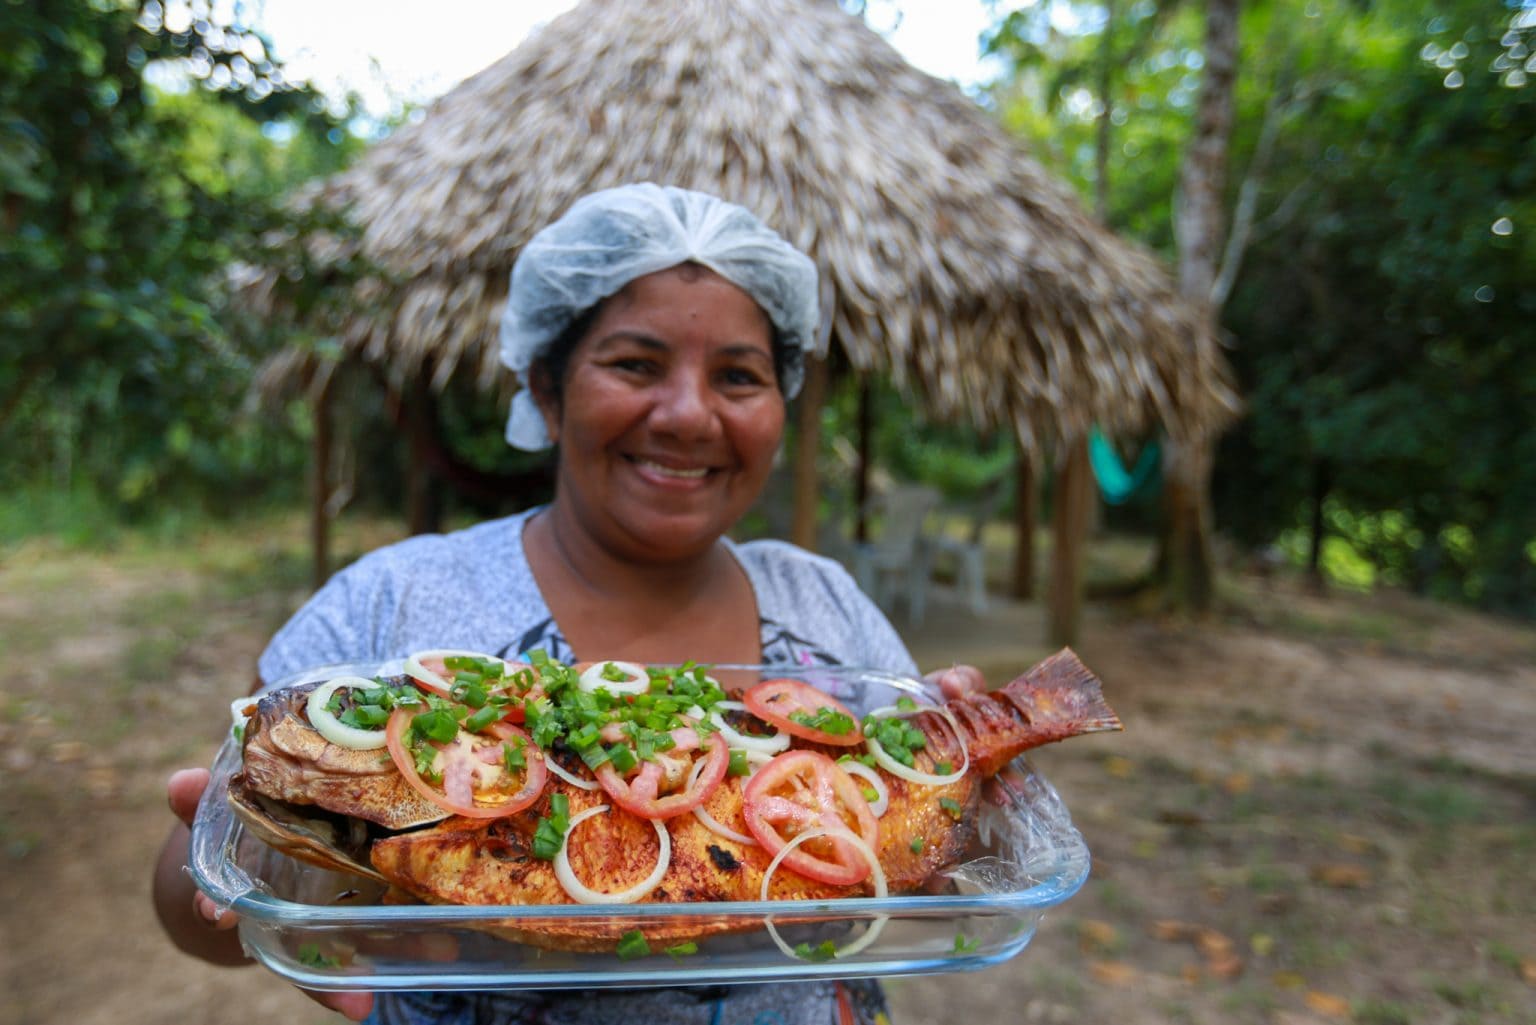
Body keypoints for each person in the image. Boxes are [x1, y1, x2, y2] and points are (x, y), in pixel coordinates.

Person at [153, 183, 984, 1024]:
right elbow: (199, 905)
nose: (690, 414)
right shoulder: (388, 601)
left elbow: (922, 859)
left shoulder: (827, 602)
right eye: (634, 364)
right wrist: (267, 874)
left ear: (780, 406)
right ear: (546, 391)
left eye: (738, 375)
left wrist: (975, 798)